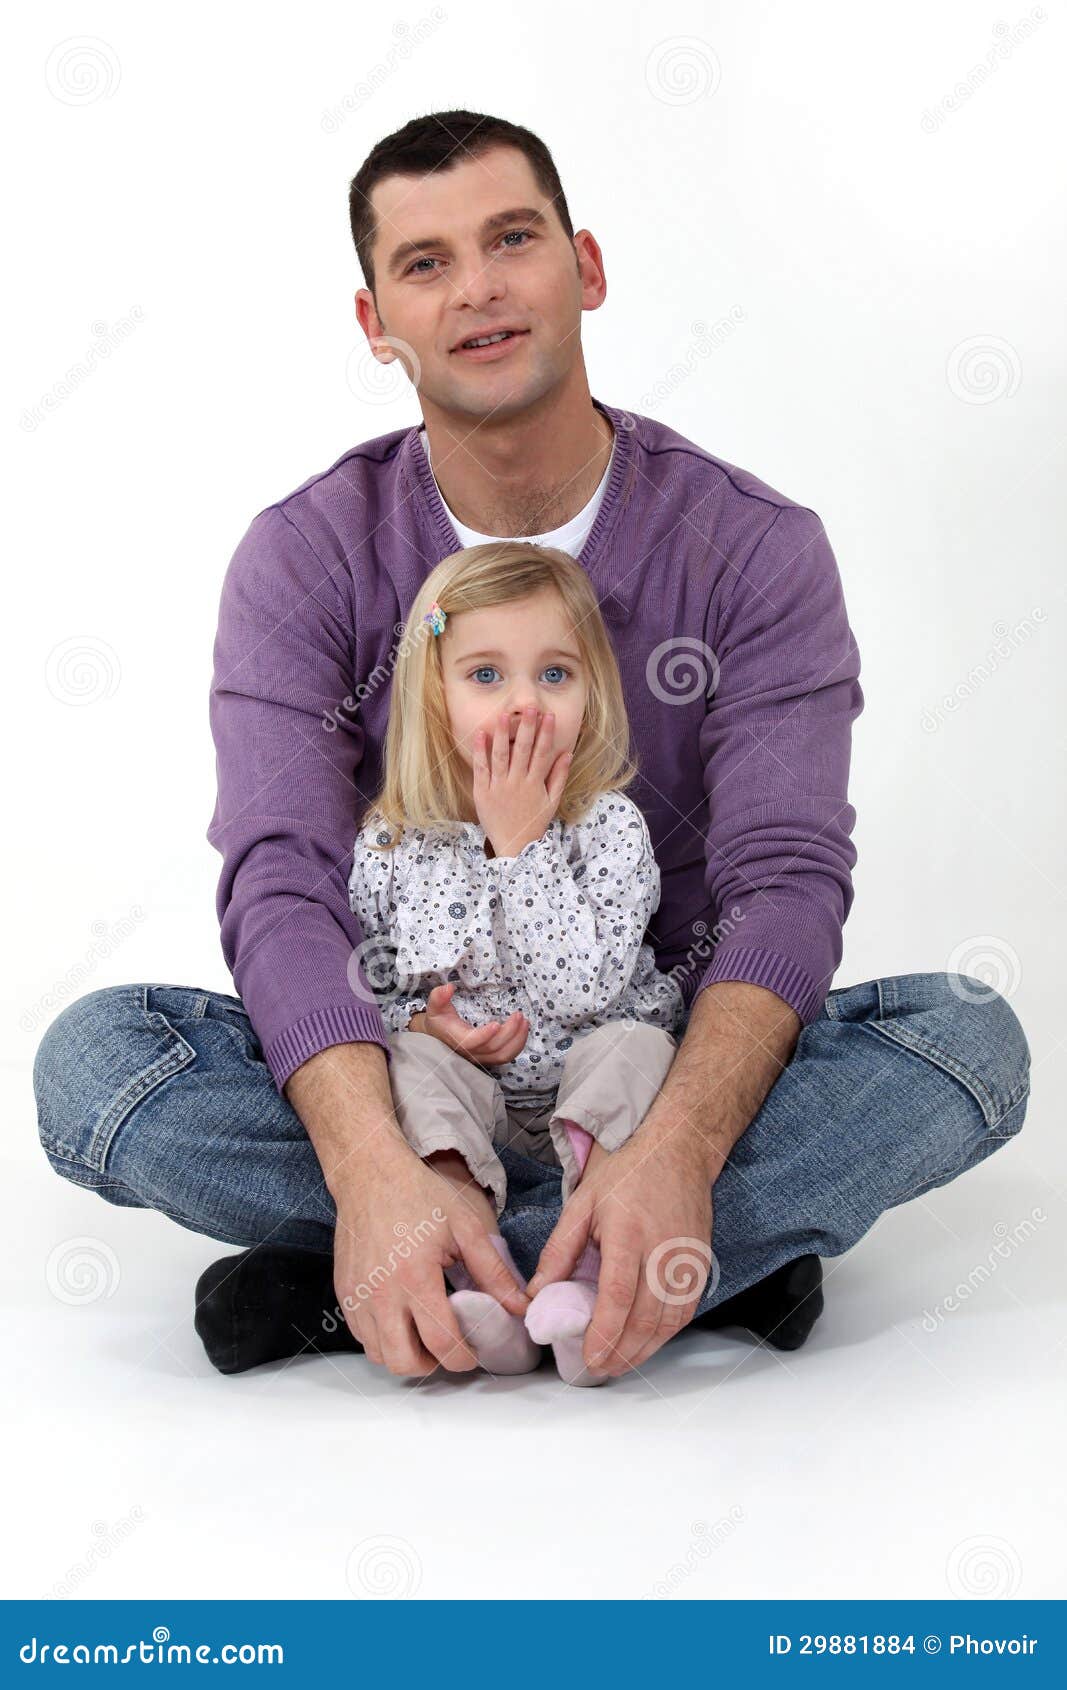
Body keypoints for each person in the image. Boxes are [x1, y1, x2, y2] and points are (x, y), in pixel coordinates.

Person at [32, 109, 1031, 1385]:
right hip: (413, 1070)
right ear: (375, 322)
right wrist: (369, 1161)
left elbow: (781, 883)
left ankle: (404, 1274)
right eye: (426, 263)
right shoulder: (306, 554)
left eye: (512, 239)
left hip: (644, 1065)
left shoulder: (753, 548)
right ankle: (663, 1263)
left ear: (585, 268)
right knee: (95, 1065)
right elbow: (281, 881)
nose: (478, 289)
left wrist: (678, 1148)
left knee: (967, 1043)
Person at [348, 540, 689, 1384]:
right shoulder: (393, 843)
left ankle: (584, 1274)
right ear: (435, 692)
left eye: (555, 675)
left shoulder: (607, 827)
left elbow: (588, 992)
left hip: (597, 1108)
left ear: (591, 692)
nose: (525, 703)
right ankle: (479, 1278)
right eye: (486, 675)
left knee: (638, 1046)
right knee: (404, 1067)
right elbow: (370, 993)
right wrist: (422, 1025)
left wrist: (522, 843)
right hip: (477, 1116)